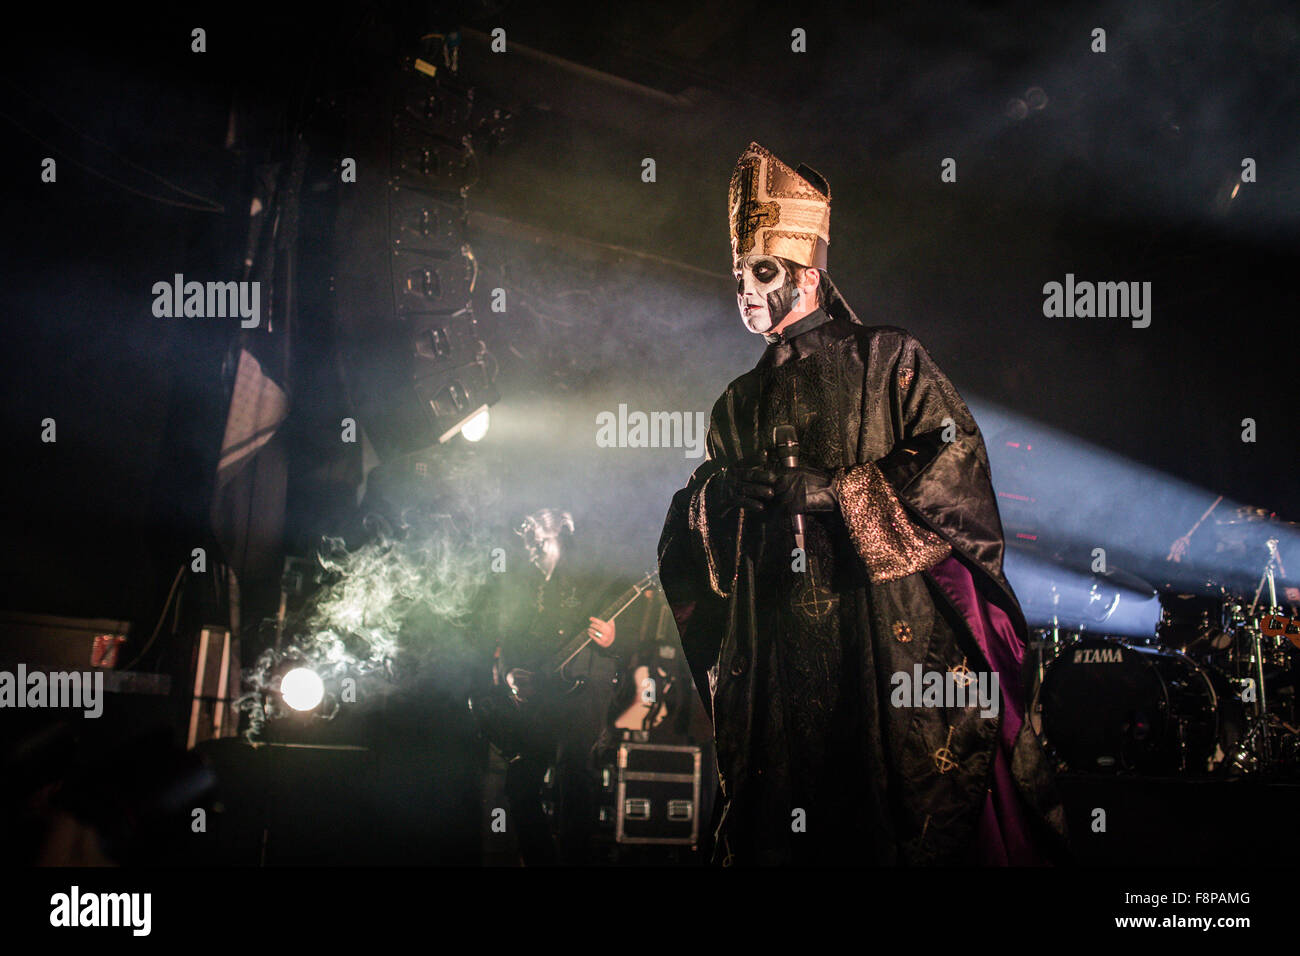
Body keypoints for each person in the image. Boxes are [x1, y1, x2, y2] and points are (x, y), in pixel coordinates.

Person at [656, 142, 1068, 865]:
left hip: (878, 648)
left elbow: (956, 462)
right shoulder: (736, 404)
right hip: (779, 663)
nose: (744, 291)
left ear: (808, 274)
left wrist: (835, 493)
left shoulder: (890, 360)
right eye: (737, 275)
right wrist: (718, 501)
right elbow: (692, 541)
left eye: (762, 272)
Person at [487, 508, 624, 865]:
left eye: (540, 541)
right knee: (519, 781)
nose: (532, 549)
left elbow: (633, 623)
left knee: (575, 770)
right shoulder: (525, 581)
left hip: (586, 682)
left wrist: (613, 639)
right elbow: (512, 637)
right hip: (542, 690)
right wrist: (512, 673)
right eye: (528, 542)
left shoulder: (592, 572)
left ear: (558, 537)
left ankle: (575, 858)